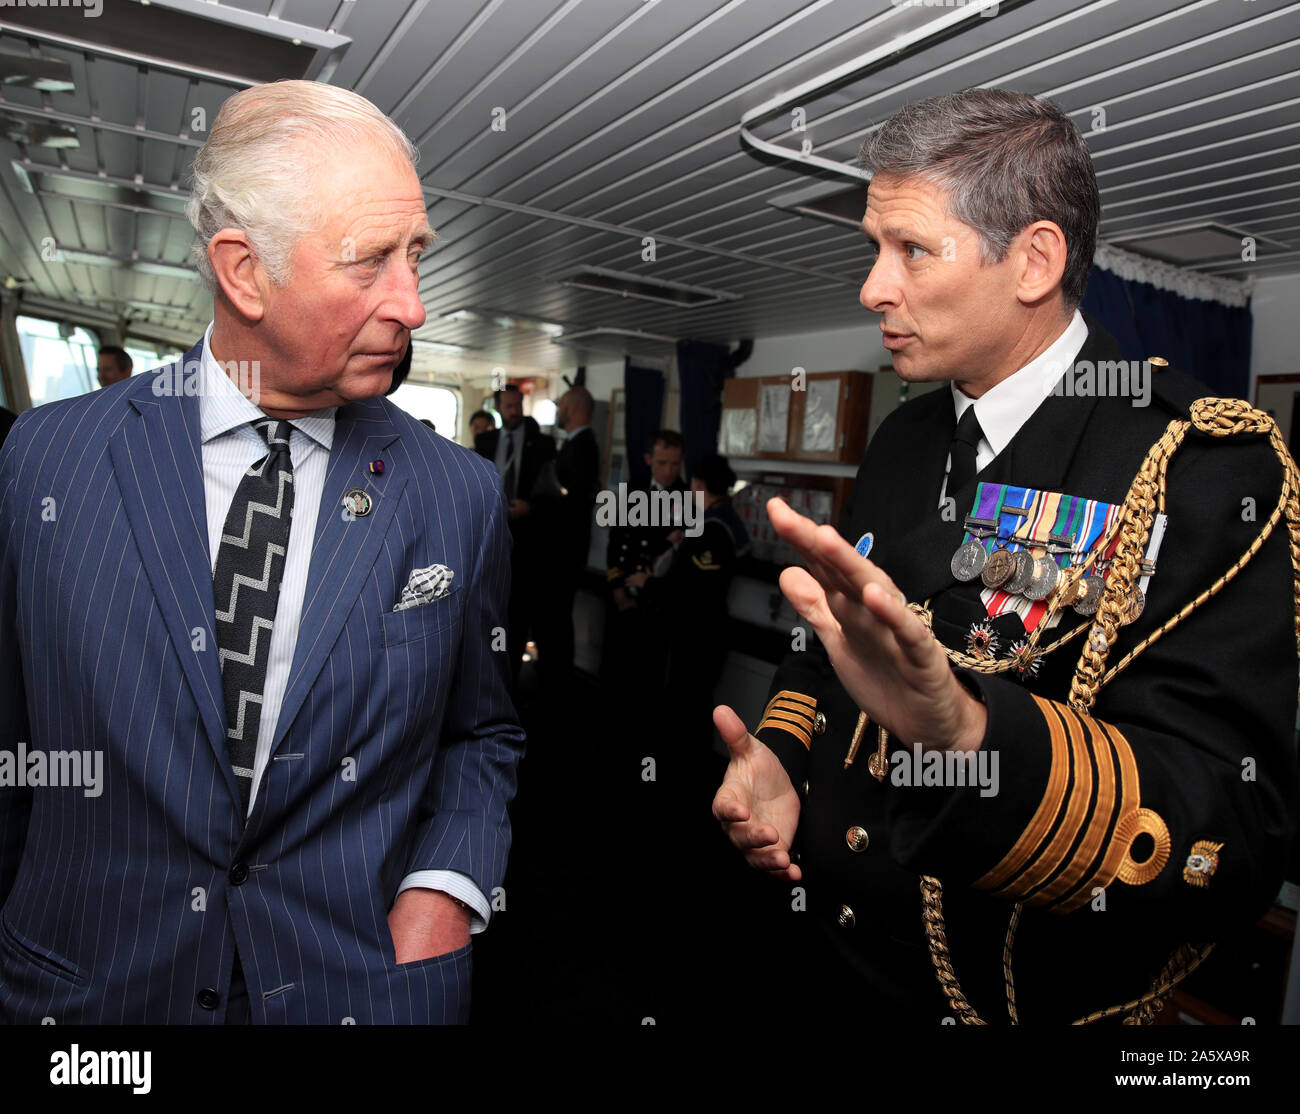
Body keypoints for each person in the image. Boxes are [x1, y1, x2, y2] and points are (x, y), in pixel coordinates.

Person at [712, 88, 1299, 1025]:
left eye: (912, 248)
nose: (873, 287)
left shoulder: (1197, 465)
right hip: (822, 959)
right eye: (874, 247)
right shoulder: (905, 442)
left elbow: (1231, 836)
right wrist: (783, 754)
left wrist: (974, 740)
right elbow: (826, 644)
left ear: (1034, 260)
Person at [0, 79, 524, 1024]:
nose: (412, 303)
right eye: (370, 263)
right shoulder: (48, 460)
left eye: (417, 257)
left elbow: (479, 733)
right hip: (95, 998)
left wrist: (447, 885)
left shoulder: (460, 495)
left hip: (354, 987)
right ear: (244, 272)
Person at [637, 453, 749, 804]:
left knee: (687, 706)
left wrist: (648, 582)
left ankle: (682, 784)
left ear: (700, 486)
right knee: (696, 703)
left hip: (696, 632)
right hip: (713, 629)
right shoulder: (727, 521)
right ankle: (689, 779)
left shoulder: (712, 528)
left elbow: (689, 588)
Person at [474, 384, 556, 687]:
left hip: (527, 542)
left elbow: (554, 493)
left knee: (518, 611)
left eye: (518, 406)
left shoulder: (543, 444)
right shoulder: (484, 441)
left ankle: (512, 679)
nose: (514, 412)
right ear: (498, 408)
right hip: (491, 535)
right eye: (508, 406)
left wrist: (531, 507)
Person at [535, 386, 600, 693]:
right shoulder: (577, 445)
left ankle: (555, 685)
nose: (558, 411)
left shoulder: (582, 447)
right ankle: (551, 679)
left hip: (563, 551)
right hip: (562, 551)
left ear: (572, 408)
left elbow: (571, 502)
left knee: (556, 620)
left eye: (561, 405)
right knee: (553, 619)